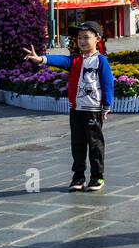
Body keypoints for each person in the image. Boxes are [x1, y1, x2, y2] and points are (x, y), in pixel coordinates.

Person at [24, 21, 114, 192]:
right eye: (79, 38)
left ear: (97, 39)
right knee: (77, 144)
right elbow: (60, 60)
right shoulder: (75, 60)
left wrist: (106, 105)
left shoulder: (100, 61)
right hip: (76, 109)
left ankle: (97, 177)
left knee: (95, 145)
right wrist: (41, 59)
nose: (82, 41)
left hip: (93, 110)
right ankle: (78, 176)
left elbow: (108, 84)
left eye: (86, 37)